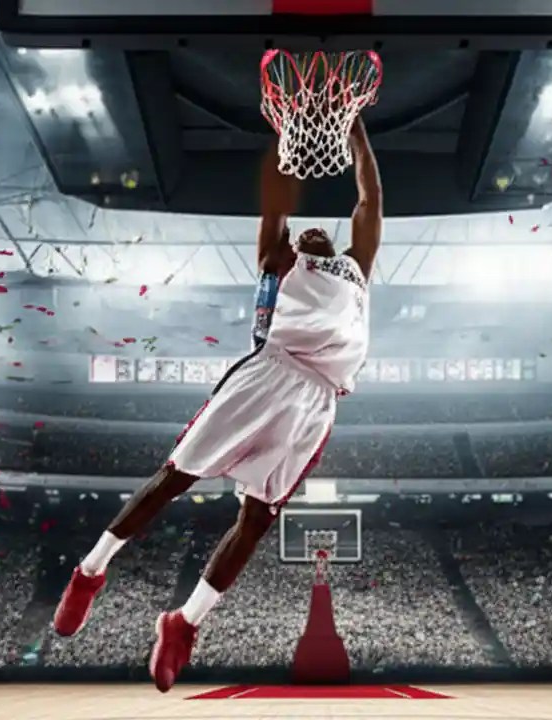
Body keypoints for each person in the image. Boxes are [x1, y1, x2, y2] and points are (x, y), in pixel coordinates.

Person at [52, 117, 382, 693]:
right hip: (268, 374)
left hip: (319, 402)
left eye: (313, 231)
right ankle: (90, 571)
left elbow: (370, 196)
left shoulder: (358, 269)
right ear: (289, 248)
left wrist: (353, 131)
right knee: (175, 476)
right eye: (299, 234)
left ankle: (184, 623)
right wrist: (290, 139)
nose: (308, 233)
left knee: (258, 518)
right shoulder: (278, 259)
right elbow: (277, 202)